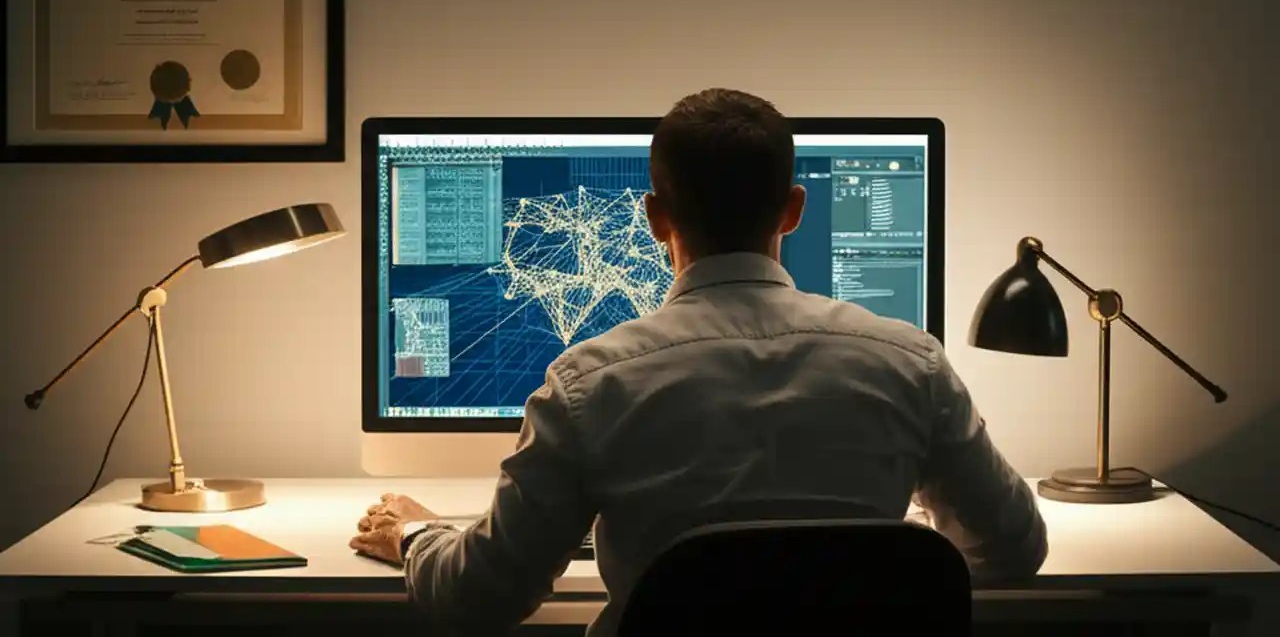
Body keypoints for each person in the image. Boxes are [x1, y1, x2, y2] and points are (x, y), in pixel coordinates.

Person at [350, 88, 1048, 635]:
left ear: (655, 217)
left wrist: (416, 532)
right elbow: (1014, 551)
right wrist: (883, 554)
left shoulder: (590, 386)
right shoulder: (911, 363)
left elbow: (479, 599)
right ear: (794, 210)